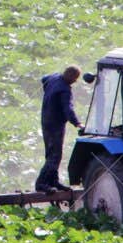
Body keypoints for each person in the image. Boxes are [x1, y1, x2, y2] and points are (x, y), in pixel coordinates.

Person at [33, 64, 83, 192]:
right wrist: (77, 123)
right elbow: (68, 109)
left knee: (52, 153)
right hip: (55, 124)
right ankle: (41, 184)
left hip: (46, 120)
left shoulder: (53, 77)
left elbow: (44, 78)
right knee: (55, 155)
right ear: (70, 76)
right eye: (75, 78)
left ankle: (53, 181)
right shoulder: (64, 89)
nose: (75, 81)